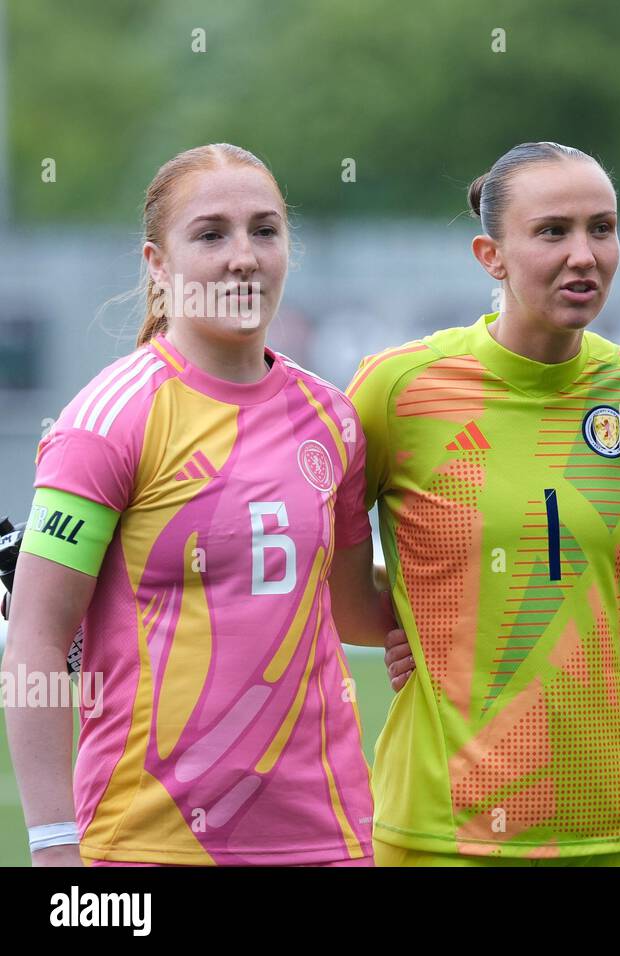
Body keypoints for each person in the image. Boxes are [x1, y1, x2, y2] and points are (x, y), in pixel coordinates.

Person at [3, 143, 406, 866]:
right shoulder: (107, 421)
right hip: (147, 847)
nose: (243, 257)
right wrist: (54, 846)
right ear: (159, 264)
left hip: (330, 840)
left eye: (265, 230)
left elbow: (353, 612)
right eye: (212, 234)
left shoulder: (333, 420)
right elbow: (34, 637)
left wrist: (455, 621)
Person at [348, 142, 620, 866]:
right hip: (439, 828)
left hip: (608, 827)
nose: (585, 254)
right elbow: (332, 575)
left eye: (603, 227)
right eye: (553, 231)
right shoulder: (398, 389)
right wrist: (411, 632)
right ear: (490, 255)